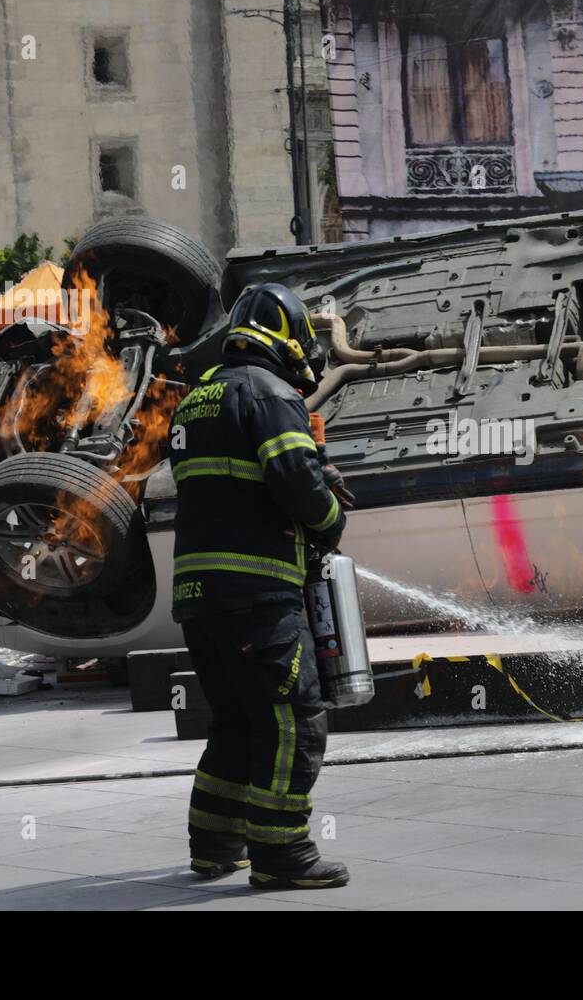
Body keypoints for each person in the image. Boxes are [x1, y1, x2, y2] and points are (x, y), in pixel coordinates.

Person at [170, 282, 352, 890]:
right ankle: (282, 854)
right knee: (291, 720)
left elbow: (236, 477)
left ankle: (215, 842)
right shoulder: (270, 392)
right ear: (287, 338)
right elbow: (294, 480)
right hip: (258, 591)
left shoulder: (199, 396)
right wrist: (330, 518)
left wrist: (308, 471)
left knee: (237, 720)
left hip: (200, 594)